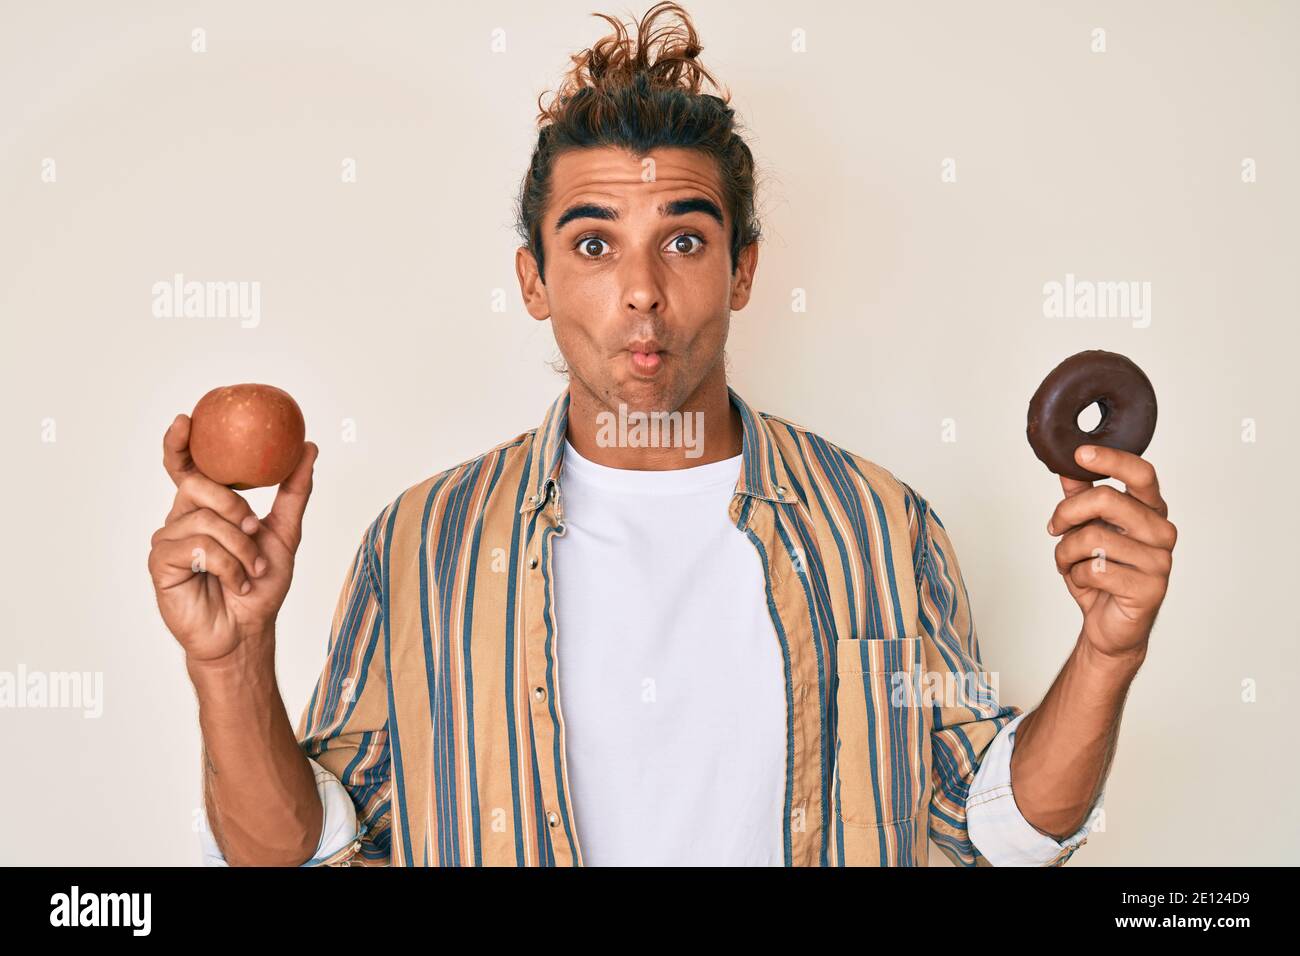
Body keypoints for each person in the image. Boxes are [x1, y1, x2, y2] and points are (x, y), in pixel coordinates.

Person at [147, 2, 1176, 867]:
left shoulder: (882, 526)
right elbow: (296, 847)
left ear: (742, 270)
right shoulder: (421, 545)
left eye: (684, 239)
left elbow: (986, 821)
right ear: (535, 282)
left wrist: (1105, 650)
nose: (641, 291)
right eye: (593, 243)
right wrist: (230, 665)